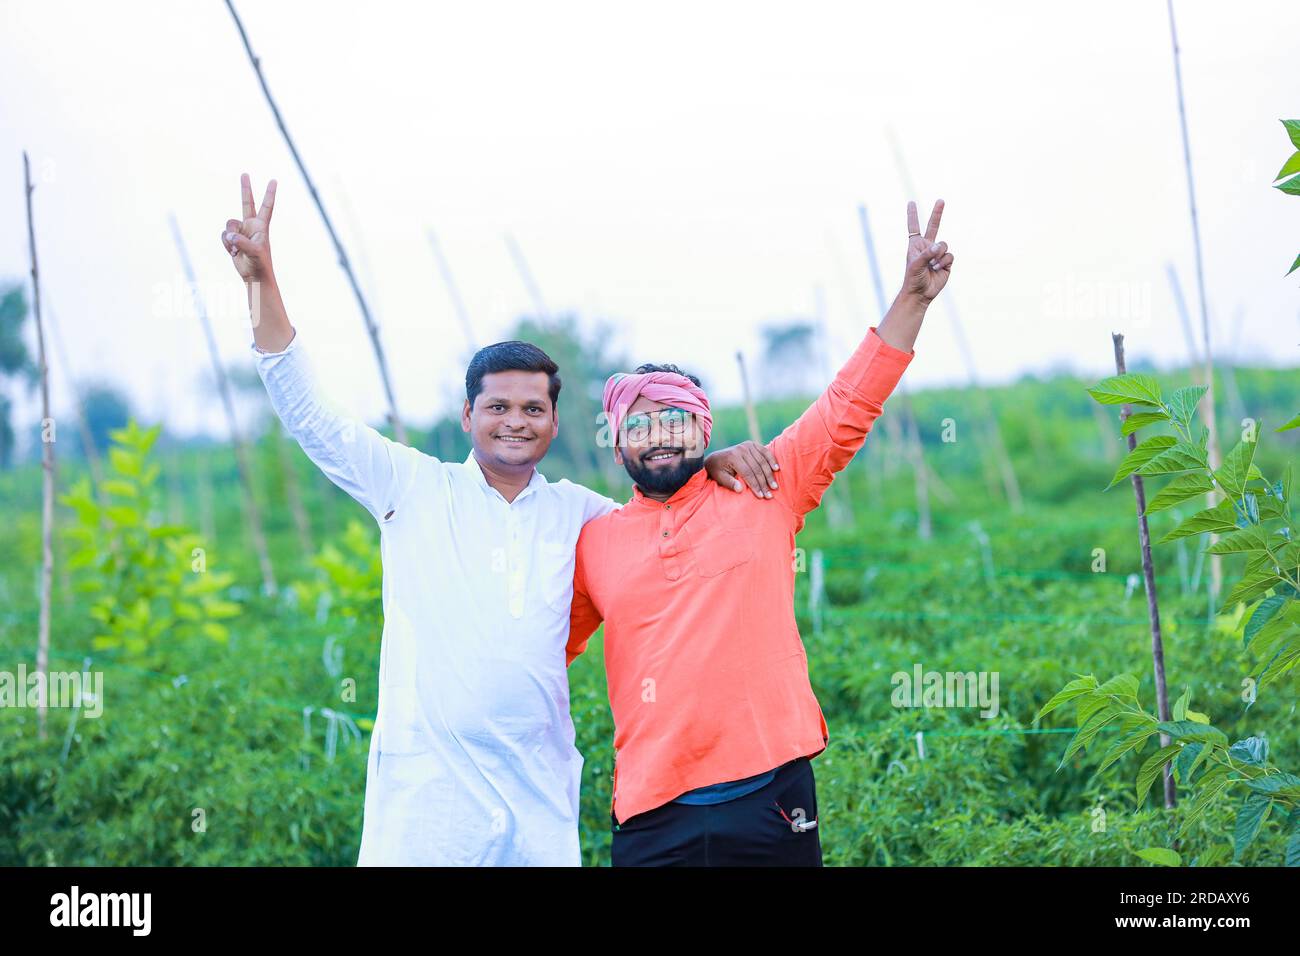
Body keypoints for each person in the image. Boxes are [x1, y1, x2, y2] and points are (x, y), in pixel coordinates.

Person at [220, 173, 778, 865]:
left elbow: (660, 522)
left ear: (552, 422)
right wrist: (262, 283)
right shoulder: (412, 488)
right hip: (428, 803)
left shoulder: (581, 515)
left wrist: (705, 456)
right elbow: (311, 416)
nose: (516, 422)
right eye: (499, 407)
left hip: (536, 803)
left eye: (533, 409)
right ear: (468, 416)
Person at [566, 199, 953, 866]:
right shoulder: (593, 541)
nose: (659, 436)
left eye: (676, 421)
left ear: (704, 429)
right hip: (653, 818)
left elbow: (846, 406)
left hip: (772, 801)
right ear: (615, 441)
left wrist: (912, 298)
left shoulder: (763, 487)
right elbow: (532, 654)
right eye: (640, 424)